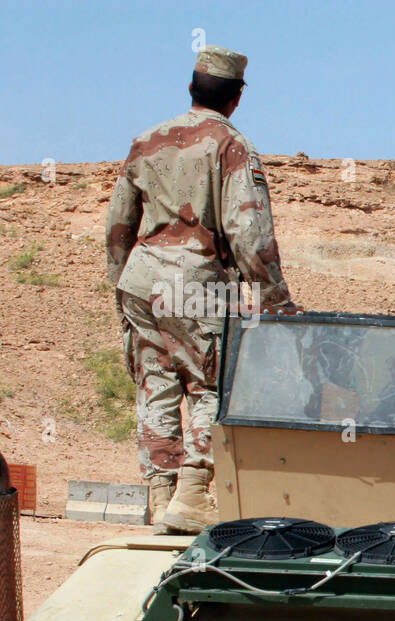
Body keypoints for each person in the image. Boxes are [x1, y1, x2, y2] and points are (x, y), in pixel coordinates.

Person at [106, 46, 297, 534]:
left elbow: (118, 227)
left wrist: (121, 289)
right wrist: (277, 301)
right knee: (211, 384)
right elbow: (249, 231)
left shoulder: (145, 141)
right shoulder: (231, 144)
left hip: (141, 278)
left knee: (157, 385)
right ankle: (192, 495)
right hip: (193, 281)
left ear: (192, 89)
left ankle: (161, 498)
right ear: (236, 99)